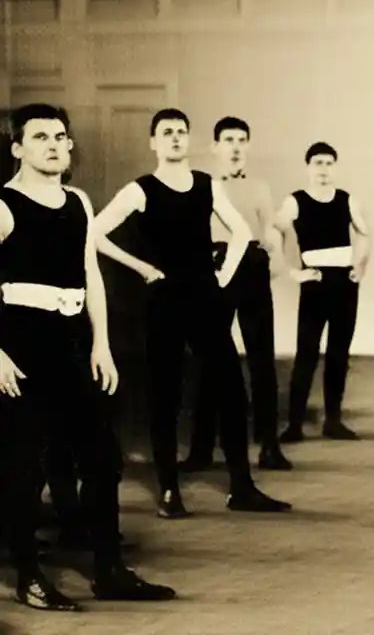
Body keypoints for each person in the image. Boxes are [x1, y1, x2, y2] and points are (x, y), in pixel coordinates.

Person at [0, 103, 174, 610]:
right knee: (24, 465)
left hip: (72, 342)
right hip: (20, 343)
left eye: (60, 136)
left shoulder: (78, 201)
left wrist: (101, 343)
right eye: (40, 137)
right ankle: (29, 577)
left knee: (101, 455)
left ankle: (109, 571)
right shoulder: (5, 204)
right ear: (17, 148)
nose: (54, 144)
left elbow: (89, 275)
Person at [92, 107, 292, 518]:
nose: (176, 138)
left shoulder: (206, 186)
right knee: (165, 394)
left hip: (206, 296)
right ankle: (169, 491)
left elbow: (242, 233)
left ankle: (242, 487)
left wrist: (222, 278)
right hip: (165, 300)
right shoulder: (141, 189)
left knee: (232, 391)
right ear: (154, 142)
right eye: (167, 132)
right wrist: (144, 268)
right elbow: (93, 233)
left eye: (182, 131)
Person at [182, 116, 292, 472]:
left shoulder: (260, 186)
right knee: (211, 362)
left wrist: (276, 253)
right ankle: (201, 450)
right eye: (228, 139)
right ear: (215, 147)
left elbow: (270, 230)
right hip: (215, 270)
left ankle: (269, 447)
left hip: (252, 270)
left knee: (262, 361)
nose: (235, 146)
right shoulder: (201, 186)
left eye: (242, 139)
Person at [274, 142, 370, 443]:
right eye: (318, 163)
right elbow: (272, 233)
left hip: (344, 282)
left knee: (339, 354)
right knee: (306, 354)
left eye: (329, 163)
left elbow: (365, 235)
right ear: (308, 167)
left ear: (335, 167)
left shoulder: (347, 200)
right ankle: (294, 425)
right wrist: (293, 272)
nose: (323, 169)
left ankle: (334, 421)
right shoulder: (295, 201)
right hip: (314, 283)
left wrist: (359, 266)